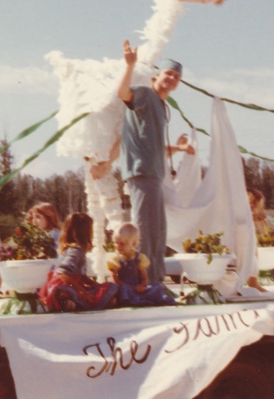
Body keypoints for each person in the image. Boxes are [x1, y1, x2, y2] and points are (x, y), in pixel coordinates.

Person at [114, 39, 194, 283]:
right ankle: (141, 283)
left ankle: (156, 281)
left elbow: (154, 147)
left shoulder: (161, 106)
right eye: (168, 74)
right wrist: (129, 66)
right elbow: (123, 94)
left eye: (176, 77)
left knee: (158, 233)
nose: (171, 79)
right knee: (144, 233)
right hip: (141, 173)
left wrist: (178, 149)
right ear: (157, 75)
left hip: (154, 175)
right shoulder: (146, 94)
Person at [39, 212, 118, 312]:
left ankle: (73, 303)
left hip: (72, 284)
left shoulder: (74, 249)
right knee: (69, 294)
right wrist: (81, 290)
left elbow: (81, 276)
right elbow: (62, 273)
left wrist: (95, 284)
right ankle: (66, 303)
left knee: (104, 287)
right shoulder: (76, 250)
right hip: (65, 284)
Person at [106, 223, 176, 307]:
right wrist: (132, 287)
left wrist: (142, 286)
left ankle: (143, 299)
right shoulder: (115, 258)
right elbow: (115, 281)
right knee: (123, 290)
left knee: (157, 286)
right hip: (125, 286)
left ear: (133, 244)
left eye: (122, 244)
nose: (118, 246)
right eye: (116, 243)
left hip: (137, 287)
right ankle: (134, 300)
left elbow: (144, 277)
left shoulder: (139, 257)